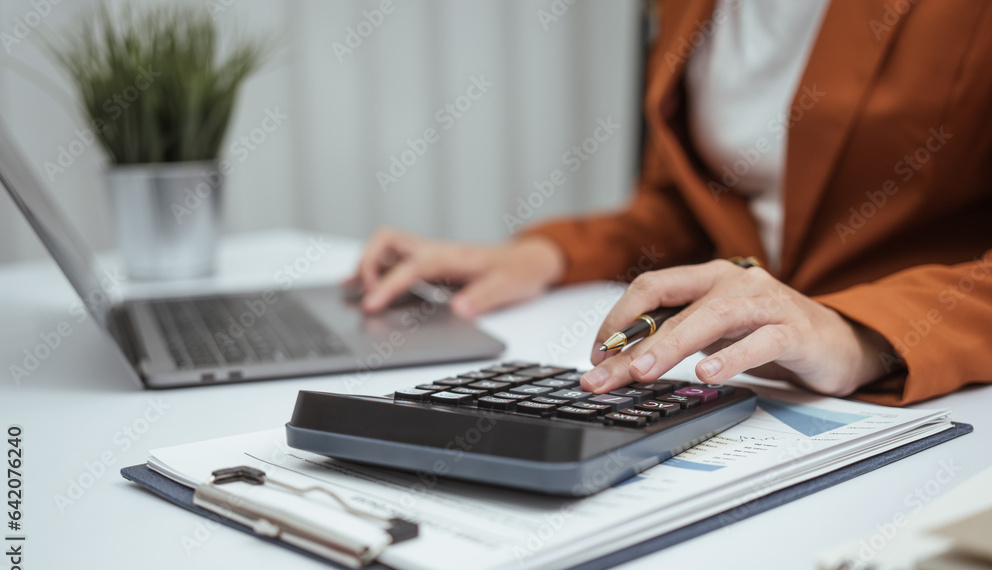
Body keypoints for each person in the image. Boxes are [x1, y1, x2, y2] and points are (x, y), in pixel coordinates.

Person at [348, 0, 992, 407]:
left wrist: (854, 333)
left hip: (929, 389)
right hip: (745, 386)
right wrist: (544, 255)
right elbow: (692, 206)